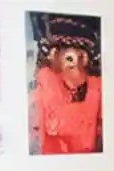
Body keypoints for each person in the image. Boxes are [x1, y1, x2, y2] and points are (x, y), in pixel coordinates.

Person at [30, 15, 102, 155]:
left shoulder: (95, 90)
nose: (76, 64)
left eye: (82, 57)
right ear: (54, 55)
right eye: (70, 58)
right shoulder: (43, 92)